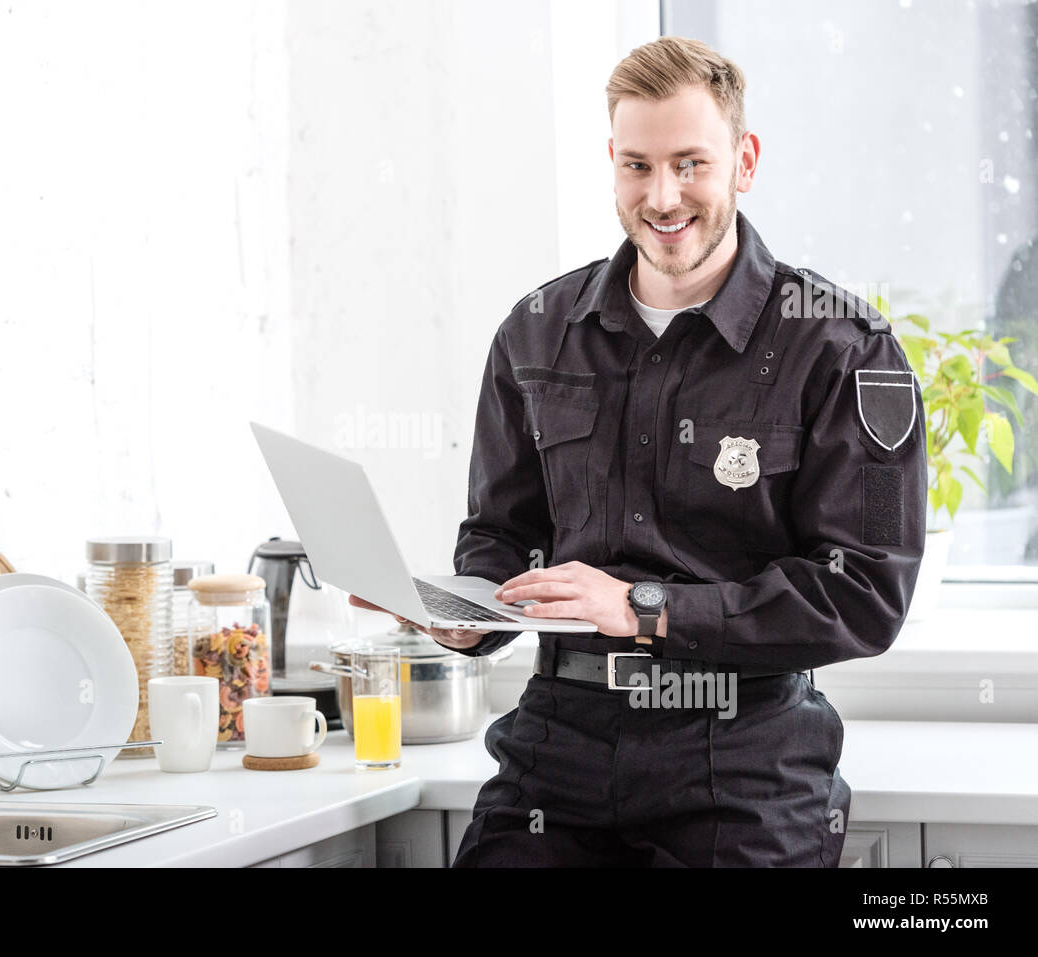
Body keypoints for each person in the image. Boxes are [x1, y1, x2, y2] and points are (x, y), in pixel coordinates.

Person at [351, 35, 927, 867]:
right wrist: (462, 616)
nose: (663, 196)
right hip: (556, 753)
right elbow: (500, 535)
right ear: (612, 163)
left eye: (691, 163)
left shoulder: (846, 349)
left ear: (745, 161)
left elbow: (867, 592)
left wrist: (646, 607)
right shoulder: (536, 331)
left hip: (745, 764)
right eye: (638, 166)